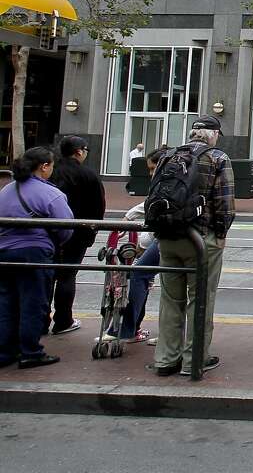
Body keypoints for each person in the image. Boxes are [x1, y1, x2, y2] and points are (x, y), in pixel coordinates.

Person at [149, 116, 234, 378]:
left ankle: (165, 358)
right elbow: (225, 204)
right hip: (201, 239)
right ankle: (193, 359)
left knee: (170, 299)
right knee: (200, 300)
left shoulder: (168, 156)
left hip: (167, 236)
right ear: (214, 135)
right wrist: (220, 234)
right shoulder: (218, 158)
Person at [0, 147, 72, 369]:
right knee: (33, 303)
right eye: (51, 165)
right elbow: (66, 228)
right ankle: (30, 351)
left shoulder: (6, 190)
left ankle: (4, 351)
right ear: (44, 167)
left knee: (6, 303)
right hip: (34, 252)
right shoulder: (51, 193)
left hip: (4, 251)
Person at [47, 135, 106, 336]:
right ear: (79, 151)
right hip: (78, 232)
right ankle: (63, 320)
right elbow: (98, 207)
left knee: (48, 275)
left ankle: (40, 319)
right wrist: (91, 232)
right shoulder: (88, 175)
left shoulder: (51, 172)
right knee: (67, 275)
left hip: (50, 232)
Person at [119, 148, 168, 343]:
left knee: (140, 274)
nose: (150, 173)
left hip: (168, 238)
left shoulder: (166, 182)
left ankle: (128, 330)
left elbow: (151, 207)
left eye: (152, 168)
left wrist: (128, 217)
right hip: (175, 238)